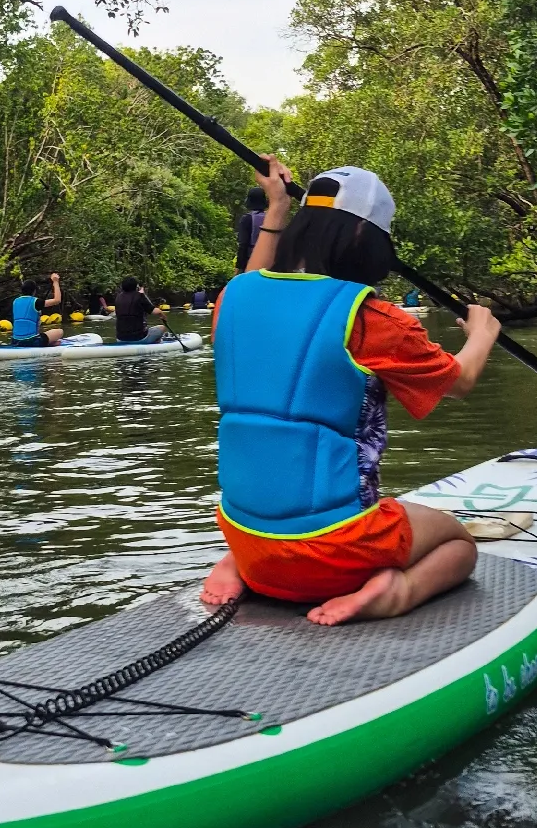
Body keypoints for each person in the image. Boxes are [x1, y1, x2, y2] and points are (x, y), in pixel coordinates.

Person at [202, 159, 501, 627]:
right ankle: (395, 591)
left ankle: (239, 563)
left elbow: (250, 278)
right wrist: (482, 333)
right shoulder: (372, 318)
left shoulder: (233, 299)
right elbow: (458, 382)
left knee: (271, 503)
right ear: (366, 240)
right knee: (458, 543)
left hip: (245, 537)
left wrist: (277, 207)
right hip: (335, 552)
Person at [11, 272, 64, 346]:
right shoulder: (36, 302)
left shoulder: (15, 301)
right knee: (60, 332)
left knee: (56, 342)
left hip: (15, 341)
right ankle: (48, 344)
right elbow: (57, 300)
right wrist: (55, 282)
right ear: (34, 291)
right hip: (32, 341)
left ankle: (50, 344)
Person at [115, 276, 166, 344]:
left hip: (120, 338)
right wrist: (163, 315)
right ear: (136, 286)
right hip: (138, 338)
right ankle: (155, 343)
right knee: (162, 327)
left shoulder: (118, 298)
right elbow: (155, 311)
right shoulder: (139, 296)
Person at [234, 184, 268, 273]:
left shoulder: (247, 219)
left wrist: (238, 267)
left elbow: (243, 245)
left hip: (250, 262)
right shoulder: (271, 218)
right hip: (269, 263)